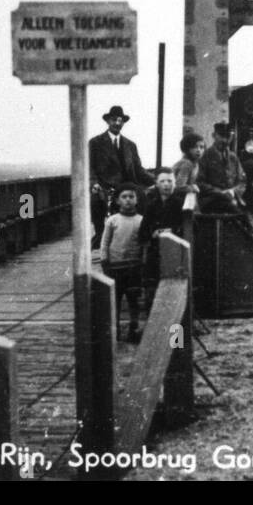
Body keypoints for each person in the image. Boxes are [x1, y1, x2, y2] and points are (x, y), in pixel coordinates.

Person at [88, 105, 155, 248]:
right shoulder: (95, 143)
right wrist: (94, 183)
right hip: (105, 187)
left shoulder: (130, 145)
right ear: (107, 121)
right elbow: (90, 168)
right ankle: (101, 235)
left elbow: (139, 170)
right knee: (95, 202)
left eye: (120, 120)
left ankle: (139, 235)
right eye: (114, 120)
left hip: (128, 186)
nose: (117, 123)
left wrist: (156, 180)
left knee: (143, 198)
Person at [99, 183, 145, 342]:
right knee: (115, 300)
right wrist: (105, 262)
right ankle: (115, 329)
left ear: (137, 199)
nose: (128, 200)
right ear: (117, 201)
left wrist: (142, 263)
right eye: (124, 197)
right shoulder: (112, 220)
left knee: (133, 299)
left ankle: (134, 327)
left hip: (133, 267)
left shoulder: (141, 220)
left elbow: (143, 244)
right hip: (115, 267)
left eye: (131, 197)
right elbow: (104, 243)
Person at [139, 168, 184, 319]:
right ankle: (152, 332)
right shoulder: (152, 205)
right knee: (152, 294)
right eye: (162, 181)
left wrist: (173, 231)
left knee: (174, 298)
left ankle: (176, 341)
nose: (166, 184)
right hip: (155, 255)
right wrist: (154, 233)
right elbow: (142, 233)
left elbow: (191, 228)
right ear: (156, 184)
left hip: (175, 255)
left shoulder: (181, 204)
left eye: (170, 181)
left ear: (175, 183)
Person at [198, 122, 247, 212]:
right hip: (210, 200)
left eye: (227, 137)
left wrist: (232, 192)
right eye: (221, 136)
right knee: (239, 216)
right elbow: (200, 182)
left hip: (232, 199)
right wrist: (220, 193)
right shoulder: (205, 156)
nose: (224, 140)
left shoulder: (233, 157)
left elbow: (242, 181)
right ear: (214, 135)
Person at [172, 133, 205, 197]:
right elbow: (179, 186)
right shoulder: (187, 164)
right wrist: (192, 188)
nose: (199, 150)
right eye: (194, 147)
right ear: (187, 148)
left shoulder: (195, 163)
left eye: (201, 147)